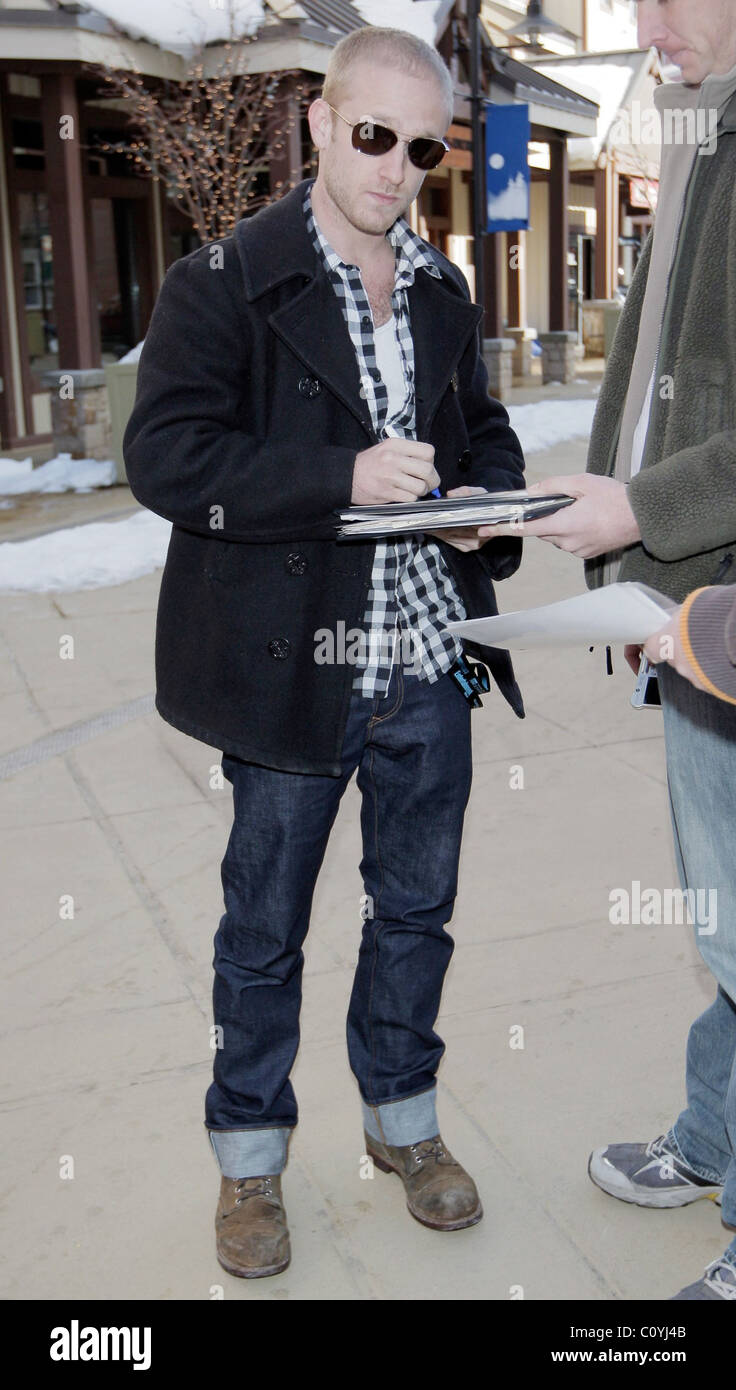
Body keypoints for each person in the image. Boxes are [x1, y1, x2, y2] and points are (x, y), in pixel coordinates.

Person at [123, 25, 526, 1279]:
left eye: (423, 147)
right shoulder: (223, 282)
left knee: (417, 908)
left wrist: (493, 503)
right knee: (265, 926)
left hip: (434, 657)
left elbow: (488, 432)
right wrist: (336, 475)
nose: (396, 168)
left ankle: (404, 1124)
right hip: (290, 663)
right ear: (319, 121)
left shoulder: (446, 291)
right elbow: (168, 460)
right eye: (373, 136)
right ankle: (250, 1161)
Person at [479, 0, 736, 1301]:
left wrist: (640, 515)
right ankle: (714, 1139)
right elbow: (648, 377)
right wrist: (621, 573)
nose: (643, 19)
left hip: (729, 612)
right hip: (680, 607)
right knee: (725, 915)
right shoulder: (696, 125)